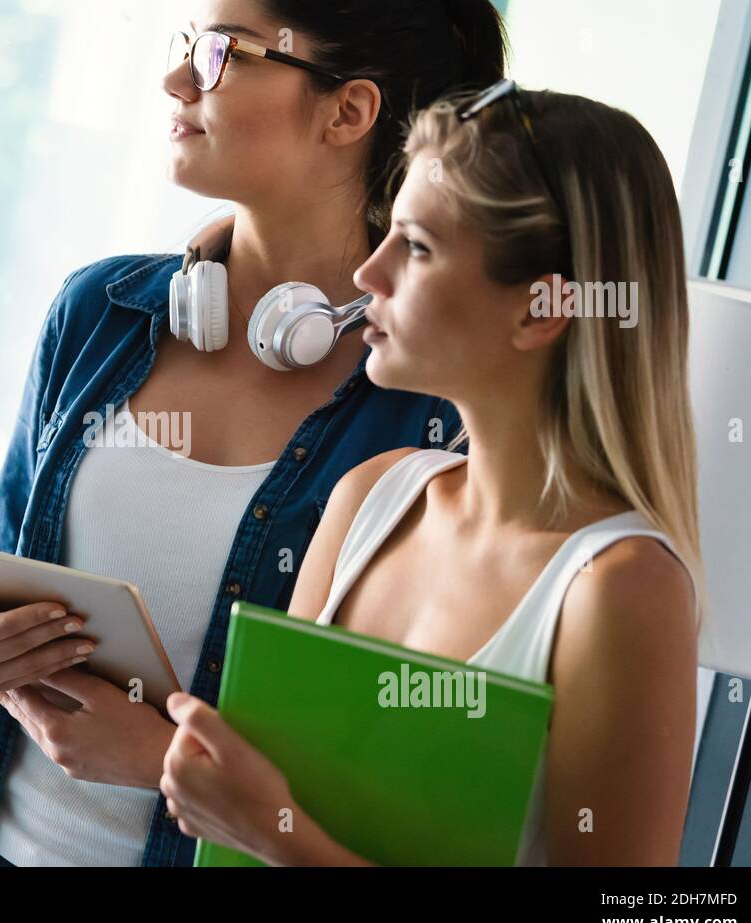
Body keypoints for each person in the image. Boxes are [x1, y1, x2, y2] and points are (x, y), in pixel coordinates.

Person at [0, 0, 510, 867]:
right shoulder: (100, 311)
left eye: (222, 53)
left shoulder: (434, 419)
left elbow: (393, 790)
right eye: (186, 44)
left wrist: (163, 764)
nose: (176, 78)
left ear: (349, 111)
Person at [159, 83, 705, 866]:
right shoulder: (370, 496)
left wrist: (273, 834)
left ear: (541, 307)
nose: (367, 275)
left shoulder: (619, 590)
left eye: (415, 247)